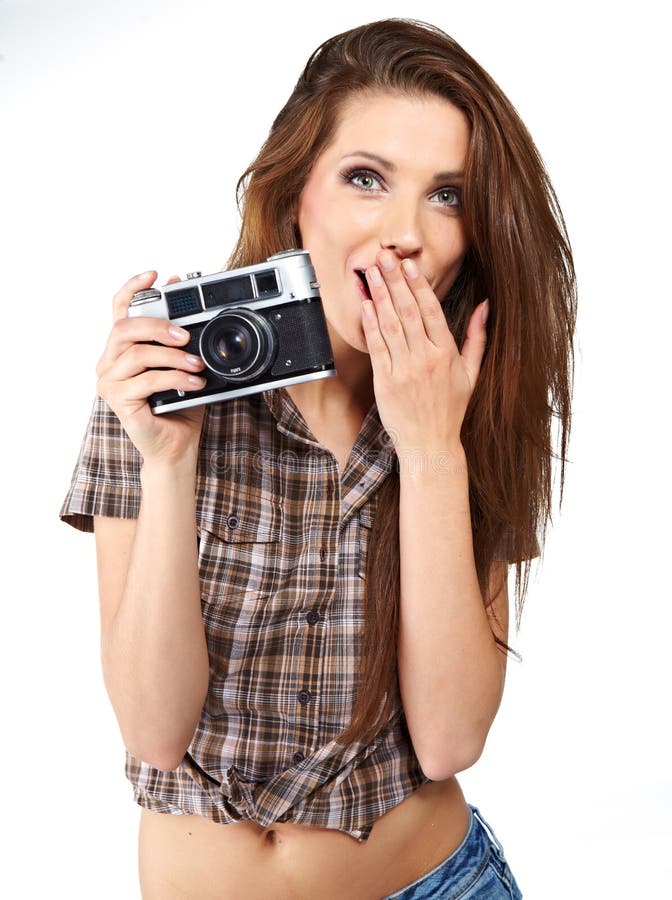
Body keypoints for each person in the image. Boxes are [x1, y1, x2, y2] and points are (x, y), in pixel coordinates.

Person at [60, 17, 575, 900]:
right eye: (366, 178)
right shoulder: (166, 377)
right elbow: (154, 730)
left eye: (447, 196)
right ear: (296, 189)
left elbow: (450, 740)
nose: (404, 233)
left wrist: (431, 451)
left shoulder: (476, 403)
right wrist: (169, 462)